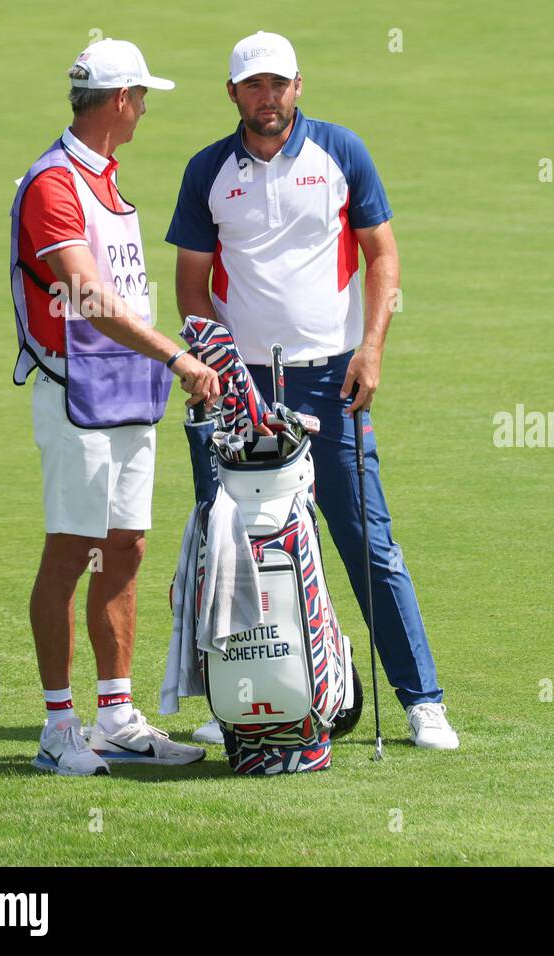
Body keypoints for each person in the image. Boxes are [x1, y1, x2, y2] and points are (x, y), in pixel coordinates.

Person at [166, 32, 458, 750]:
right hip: (243, 385)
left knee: (365, 537)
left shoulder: (340, 152)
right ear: (232, 93)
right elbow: (191, 286)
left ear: (299, 85)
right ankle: (243, 696)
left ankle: (422, 700)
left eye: (279, 84)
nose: (268, 98)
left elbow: (382, 254)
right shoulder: (208, 170)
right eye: (253, 86)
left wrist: (373, 348)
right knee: (237, 542)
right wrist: (216, 369)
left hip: (332, 375)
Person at [9, 39, 221, 775]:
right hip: (76, 392)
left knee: (125, 547)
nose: (145, 108)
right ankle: (57, 728)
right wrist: (176, 353)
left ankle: (116, 715)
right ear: (122, 99)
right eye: (143, 97)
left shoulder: (102, 180)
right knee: (70, 551)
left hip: (127, 393)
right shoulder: (53, 184)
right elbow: (87, 295)